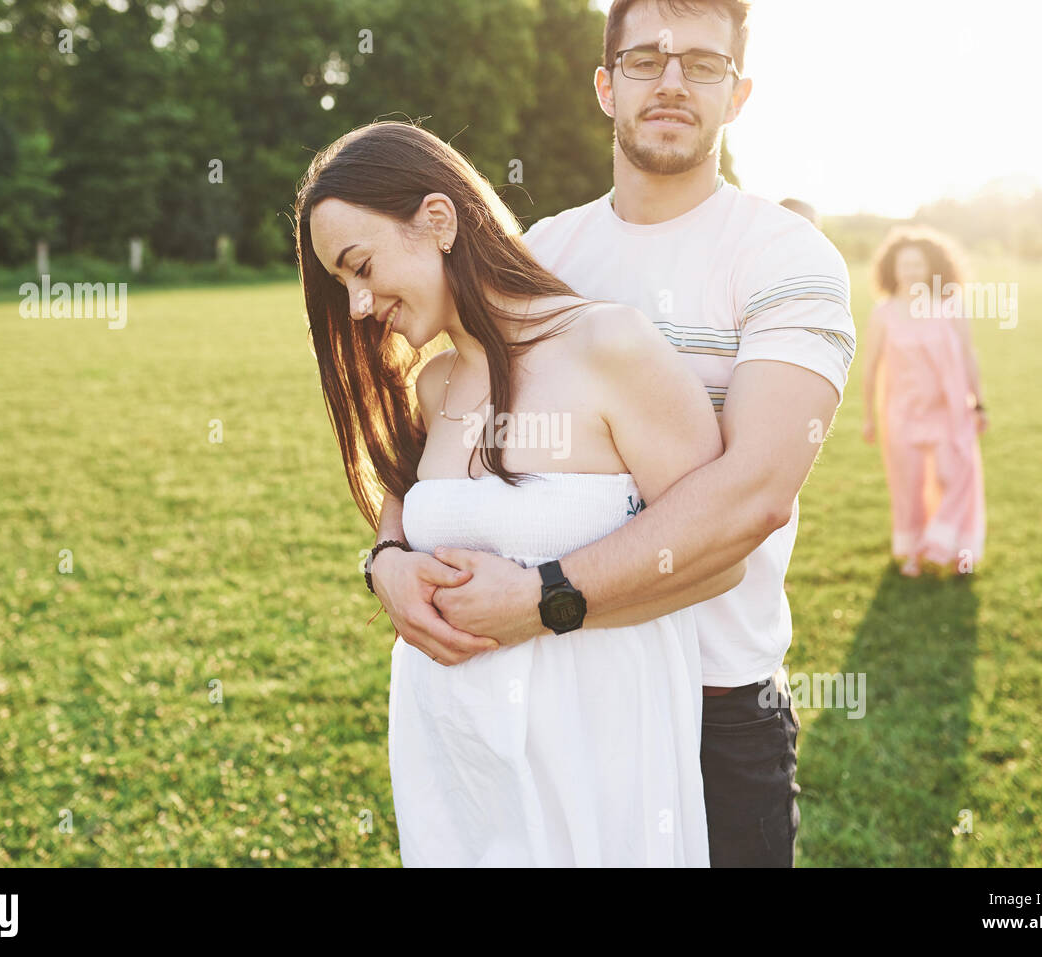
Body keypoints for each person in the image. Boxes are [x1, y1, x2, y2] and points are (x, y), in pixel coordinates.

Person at [371, 0, 857, 867]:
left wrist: (545, 595)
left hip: (717, 696)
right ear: (604, 84)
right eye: (644, 61)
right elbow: (438, 423)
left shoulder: (787, 257)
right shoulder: (542, 255)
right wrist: (387, 555)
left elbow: (753, 494)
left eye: (703, 65)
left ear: (738, 94)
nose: (672, 83)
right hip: (561, 693)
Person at [296, 120, 747, 866]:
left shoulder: (610, 347)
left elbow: (717, 556)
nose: (358, 304)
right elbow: (403, 510)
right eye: (342, 283)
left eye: (361, 266)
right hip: (459, 772)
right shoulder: (433, 386)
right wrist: (383, 565)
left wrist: (546, 600)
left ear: (437, 221)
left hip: (593, 768)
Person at [862, 226, 987, 576]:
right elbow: (870, 368)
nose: (912, 271)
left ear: (930, 268)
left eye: (918, 264)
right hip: (901, 412)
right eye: (905, 265)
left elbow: (967, 355)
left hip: (949, 411)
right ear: (893, 269)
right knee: (909, 484)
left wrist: (979, 403)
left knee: (955, 475)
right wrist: (868, 417)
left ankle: (952, 546)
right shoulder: (883, 313)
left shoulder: (949, 305)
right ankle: (915, 551)